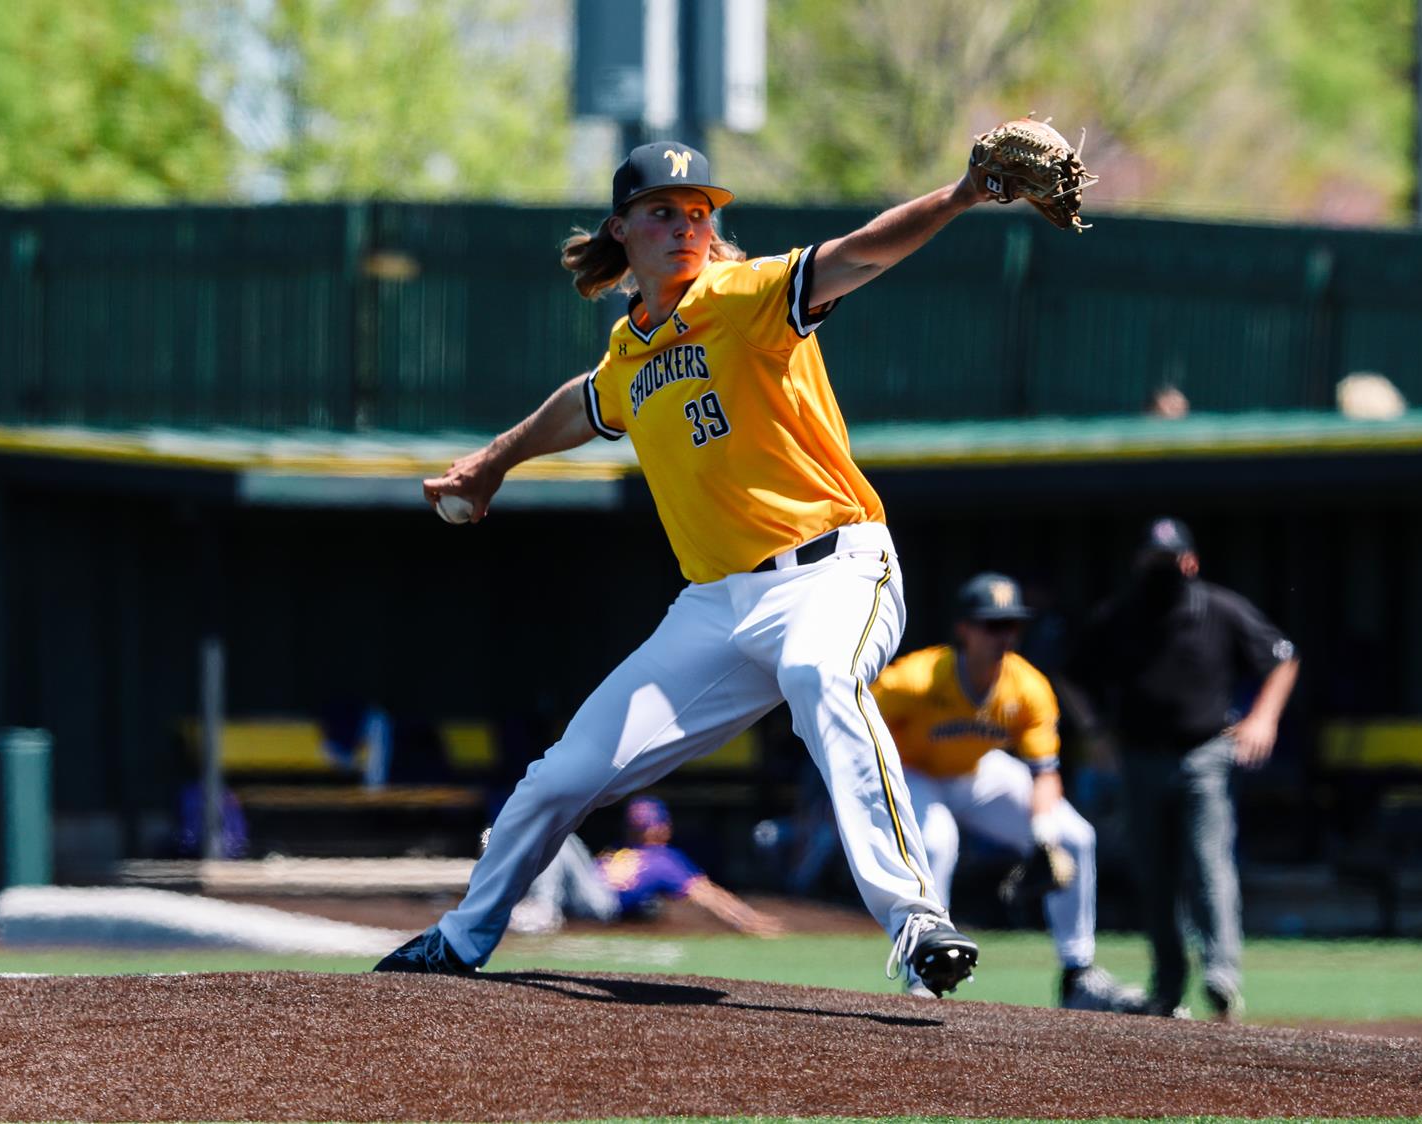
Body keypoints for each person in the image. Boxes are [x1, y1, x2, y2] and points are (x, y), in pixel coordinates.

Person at [375, 137, 1009, 998]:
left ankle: (916, 920)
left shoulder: (745, 296)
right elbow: (584, 401)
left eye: (700, 212)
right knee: (564, 775)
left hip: (835, 569)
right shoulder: (630, 353)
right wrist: (494, 462)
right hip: (716, 606)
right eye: (664, 212)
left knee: (821, 674)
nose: (686, 226)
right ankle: (460, 939)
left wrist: (964, 193)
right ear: (622, 229)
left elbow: (862, 251)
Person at [873, 573, 1148, 1013]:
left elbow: (1045, 772)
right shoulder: (914, 679)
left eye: (1011, 625)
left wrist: (1040, 833)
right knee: (938, 841)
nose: (1003, 636)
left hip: (977, 773)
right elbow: (856, 729)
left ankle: (1078, 971)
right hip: (914, 773)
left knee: (1073, 837)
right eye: (991, 625)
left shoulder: (1027, 686)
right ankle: (923, 972)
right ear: (963, 629)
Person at [1066, 518, 1300, 1022]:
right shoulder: (1122, 615)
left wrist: (1264, 717)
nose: (1162, 571)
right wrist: (1096, 732)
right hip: (1140, 757)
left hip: (1205, 753)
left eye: (1169, 562)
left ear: (1190, 562)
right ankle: (1168, 984)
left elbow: (1283, 657)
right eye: (1153, 562)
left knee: (1207, 863)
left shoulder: (1219, 608)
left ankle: (1222, 975)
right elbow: (1072, 673)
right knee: (1154, 873)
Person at [509, 796, 785, 937]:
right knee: (548, 840)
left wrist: (746, 920)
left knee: (561, 836)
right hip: (581, 893)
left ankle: (542, 909)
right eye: (638, 825)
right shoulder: (621, 847)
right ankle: (520, 902)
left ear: (665, 827)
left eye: (647, 824)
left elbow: (706, 893)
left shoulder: (665, 859)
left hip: (603, 901)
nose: (642, 830)